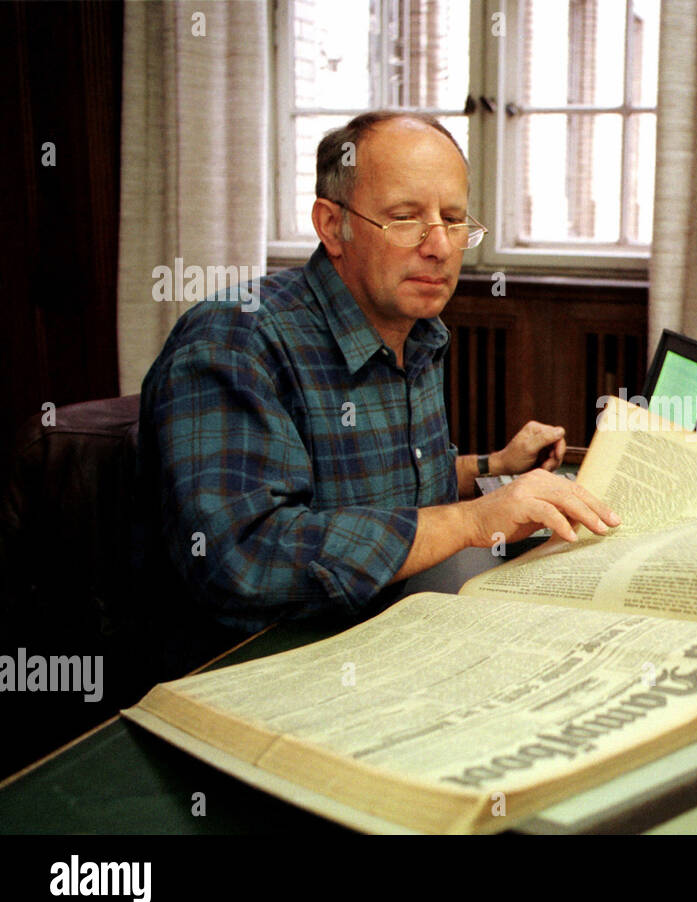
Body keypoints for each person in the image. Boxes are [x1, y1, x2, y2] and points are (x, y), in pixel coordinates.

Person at [138, 110, 619, 632]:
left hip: (397, 625)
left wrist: (493, 464)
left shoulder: (415, 330)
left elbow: (390, 489)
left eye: (453, 220)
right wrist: (473, 520)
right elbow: (243, 561)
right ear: (332, 225)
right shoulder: (234, 340)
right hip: (256, 665)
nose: (438, 247)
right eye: (405, 217)